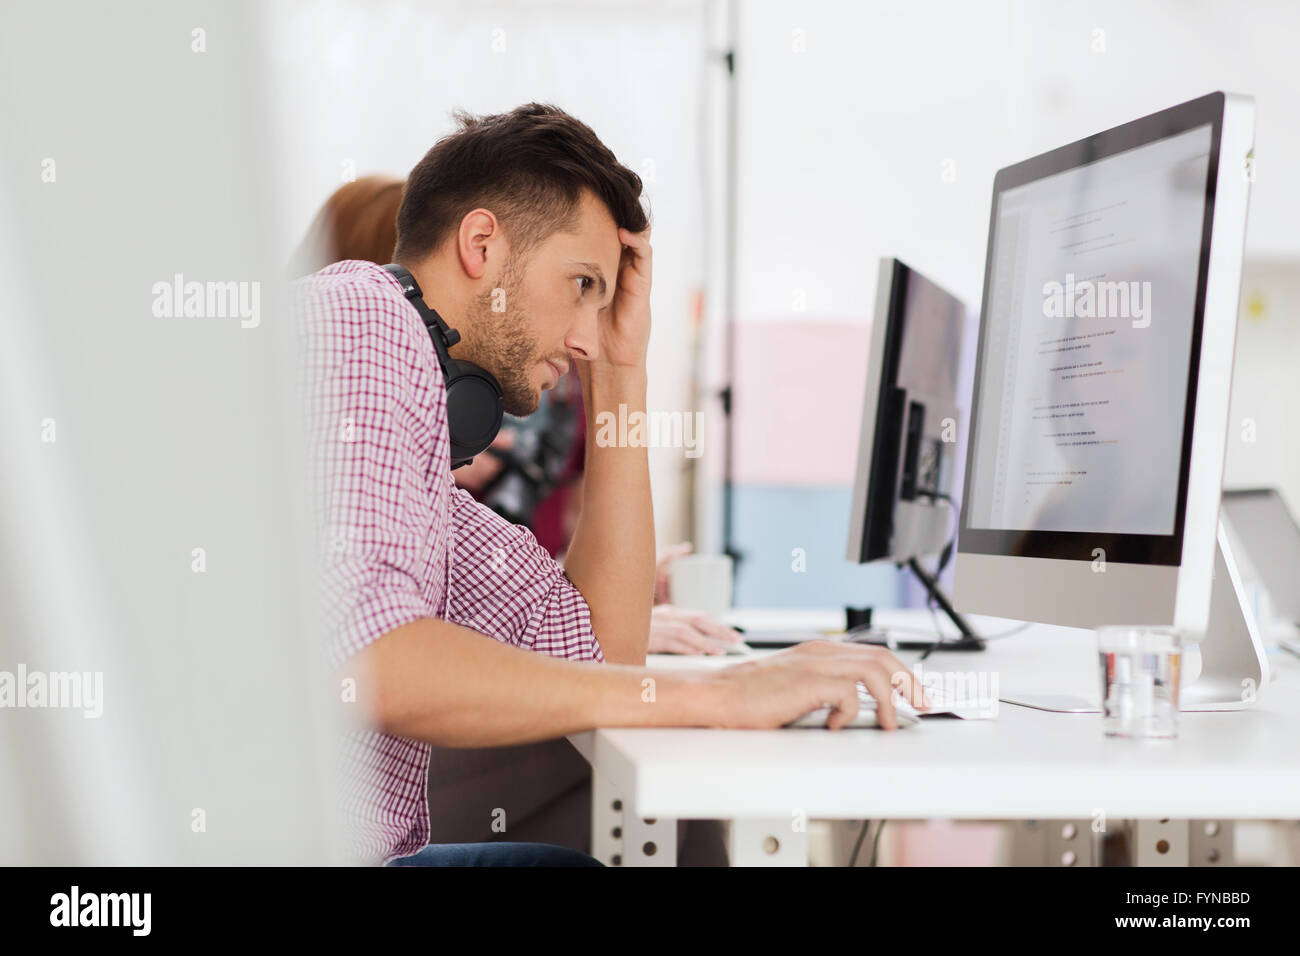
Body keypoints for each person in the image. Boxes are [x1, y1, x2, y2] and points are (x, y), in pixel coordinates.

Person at [295, 103, 927, 866]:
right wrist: (720, 695)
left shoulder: (424, 465)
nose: (586, 337)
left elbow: (599, 648)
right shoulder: (363, 313)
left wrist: (623, 376)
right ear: (483, 243)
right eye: (581, 283)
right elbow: (375, 662)